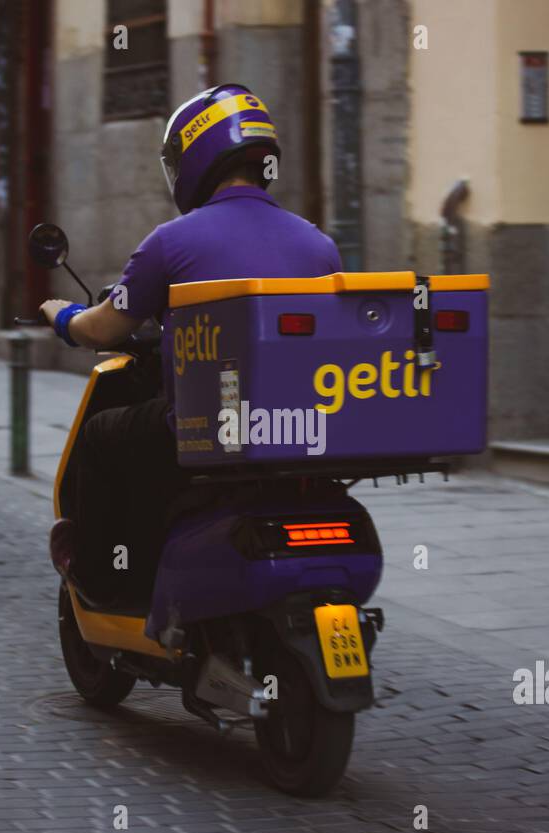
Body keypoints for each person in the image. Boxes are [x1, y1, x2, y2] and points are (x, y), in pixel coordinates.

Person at [42, 83, 342, 607]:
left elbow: (104, 330)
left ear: (194, 157)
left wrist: (61, 315)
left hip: (210, 429)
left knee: (101, 435)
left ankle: (103, 576)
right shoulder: (319, 245)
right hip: (301, 428)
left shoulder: (172, 241)